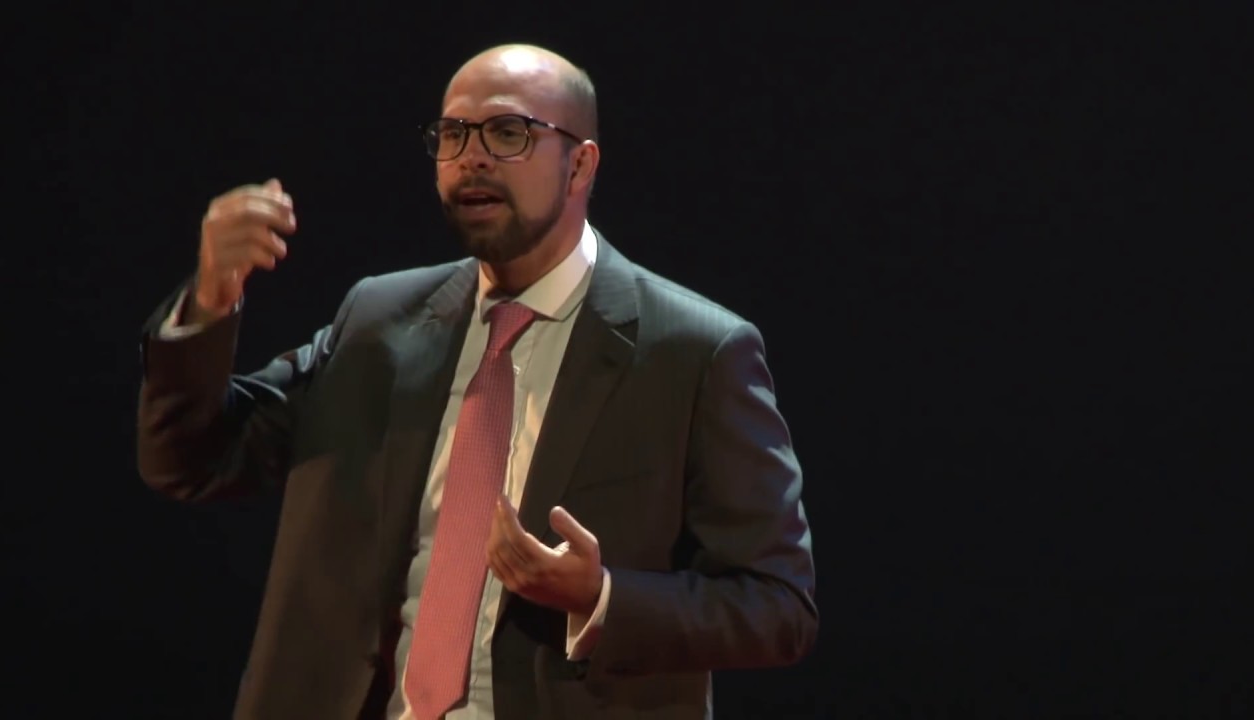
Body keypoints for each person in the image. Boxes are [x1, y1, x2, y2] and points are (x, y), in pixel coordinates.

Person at [136, 43, 817, 720]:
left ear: (580, 163)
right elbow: (192, 459)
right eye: (453, 134)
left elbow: (778, 606)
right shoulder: (379, 321)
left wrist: (602, 595)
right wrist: (212, 298)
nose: (473, 156)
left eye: (509, 132)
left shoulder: (692, 351)